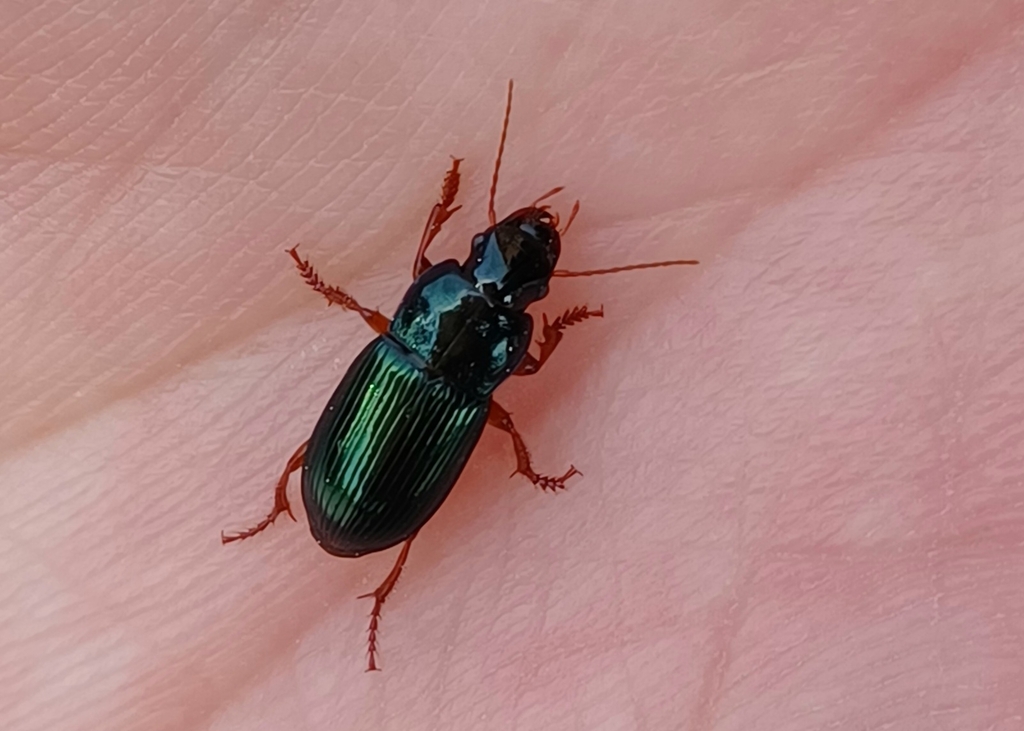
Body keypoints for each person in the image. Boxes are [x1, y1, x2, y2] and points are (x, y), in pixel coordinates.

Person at [3, 2, 1021, 729]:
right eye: (500, 258)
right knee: (398, 481)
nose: (499, 257)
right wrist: (551, 331)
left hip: (380, 457)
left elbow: (451, 314)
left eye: (494, 258)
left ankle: (337, 554)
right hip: (389, 461)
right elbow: (512, 371)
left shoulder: (422, 318)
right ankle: (308, 527)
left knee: (358, 478)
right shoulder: (484, 365)